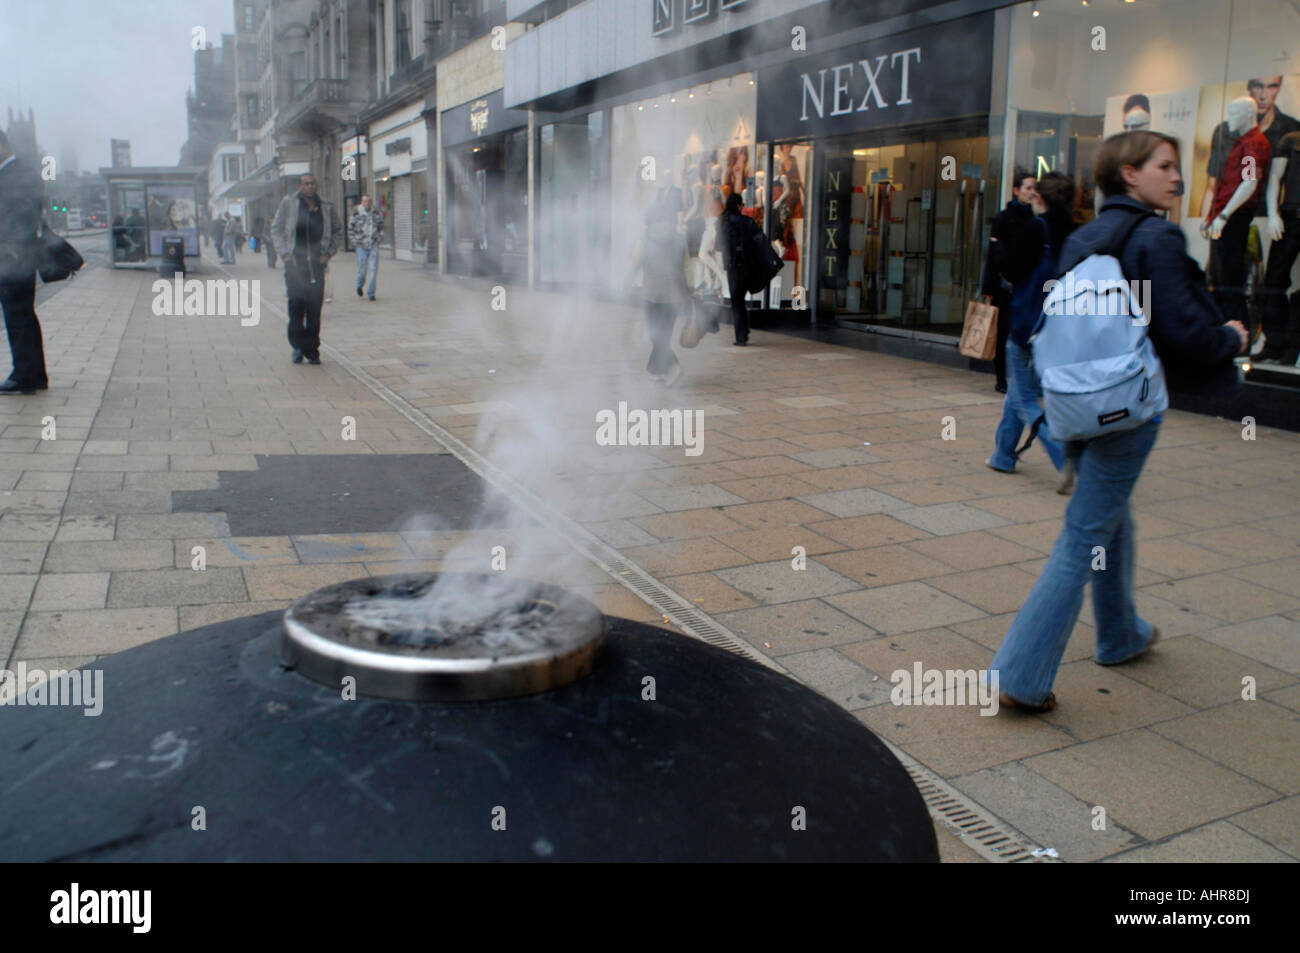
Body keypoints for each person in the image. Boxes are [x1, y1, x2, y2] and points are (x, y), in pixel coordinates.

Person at [989, 131, 1248, 713]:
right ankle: (1019, 674)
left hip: (1078, 401)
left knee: (1110, 517)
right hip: (1127, 406)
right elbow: (1181, 331)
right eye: (1164, 166)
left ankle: (1119, 632)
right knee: (1084, 534)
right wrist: (1228, 338)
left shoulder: (1088, 235)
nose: (1176, 177)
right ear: (1130, 174)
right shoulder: (1155, 236)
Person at [986, 171, 1075, 486]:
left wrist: (997, 247)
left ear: (1040, 198)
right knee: (1018, 390)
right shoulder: (1078, 233)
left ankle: (1065, 458)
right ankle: (1003, 455)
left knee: (1024, 397)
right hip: (1060, 327)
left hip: (1028, 325)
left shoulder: (1036, 229)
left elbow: (1011, 270)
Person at [270, 173, 342, 366]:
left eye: (313, 183)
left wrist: (328, 253)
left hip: (317, 265)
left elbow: (337, 230)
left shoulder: (326, 206)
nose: (310, 186)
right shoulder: (290, 203)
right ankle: (297, 346)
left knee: (314, 309)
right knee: (296, 308)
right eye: (306, 184)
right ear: (300, 186)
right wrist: (285, 254)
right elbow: (276, 228)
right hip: (295, 265)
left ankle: (312, 349)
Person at [980, 169, 1039, 392]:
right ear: (1016, 190)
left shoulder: (1036, 218)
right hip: (1005, 286)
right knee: (1002, 331)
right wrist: (989, 288)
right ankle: (1001, 378)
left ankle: (1023, 377)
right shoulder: (1004, 218)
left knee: (1026, 332)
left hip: (1028, 286)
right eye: (1028, 188)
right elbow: (994, 254)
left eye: (1035, 189)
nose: (1032, 193)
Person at [0, 129, 48, 394]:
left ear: (3, 145)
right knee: (24, 316)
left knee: (17, 317)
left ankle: (24, 376)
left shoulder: (15, 174)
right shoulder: (21, 172)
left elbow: (23, 214)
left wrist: (12, 247)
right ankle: (35, 374)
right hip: (17, 255)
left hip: (14, 256)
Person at [630, 186, 690, 382]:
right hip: (675, 296)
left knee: (657, 336)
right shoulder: (679, 239)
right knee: (663, 334)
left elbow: (635, 263)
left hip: (653, 295)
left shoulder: (646, 239)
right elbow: (686, 267)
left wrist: (626, 281)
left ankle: (673, 367)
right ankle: (660, 371)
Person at [719, 192, 757, 345]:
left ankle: (741, 336)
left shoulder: (723, 221)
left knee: (737, 300)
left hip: (732, 266)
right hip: (747, 265)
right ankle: (744, 331)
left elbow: (719, 244)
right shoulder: (747, 222)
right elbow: (757, 242)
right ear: (738, 206)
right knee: (741, 298)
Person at [348, 194, 384, 301]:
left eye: (369, 201)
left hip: (373, 245)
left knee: (373, 269)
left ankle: (371, 293)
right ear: (362, 202)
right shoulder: (356, 214)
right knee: (362, 270)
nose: (367, 203)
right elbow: (350, 229)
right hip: (361, 245)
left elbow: (381, 227)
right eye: (365, 201)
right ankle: (359, 285)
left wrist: (379, 239)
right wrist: (355, 241)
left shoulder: (376, 213)